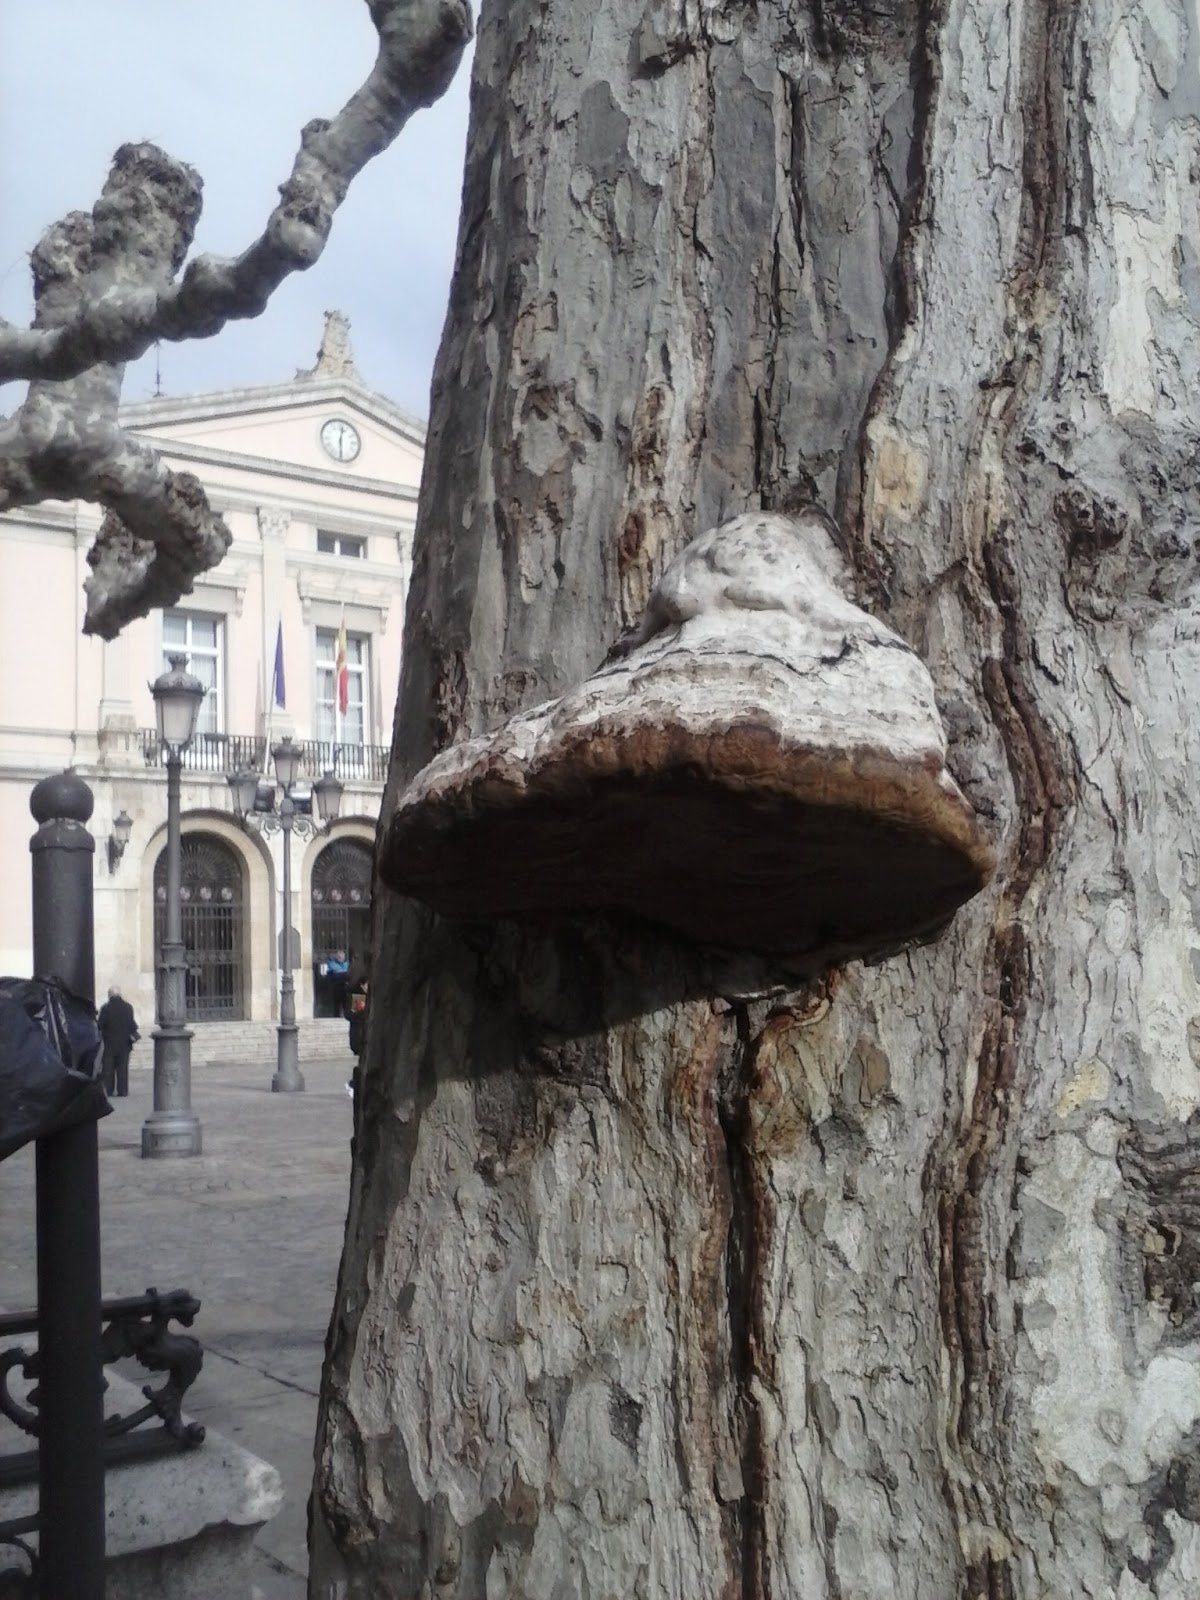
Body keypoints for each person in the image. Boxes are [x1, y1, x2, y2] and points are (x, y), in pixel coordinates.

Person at [96, 986, 139, 1097]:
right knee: (123, 1068)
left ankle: (109, 1090)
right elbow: (132, 1025)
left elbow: (100, 1025)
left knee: (108, 1068)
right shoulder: (128, 1007)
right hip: (125, 1043)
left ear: (110, 995)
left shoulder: (106, 1008)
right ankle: (123, 1090)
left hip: (109, 1043)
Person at [343, 967, 368, 1101]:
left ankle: (354, 1084)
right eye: (366, 985)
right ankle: (353, 1084)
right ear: (362, 984)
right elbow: (351, 1015)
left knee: (363, 1062)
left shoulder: (368, 997)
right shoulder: (357, 996)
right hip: (358, 1034)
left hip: (364, 1035)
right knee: (362, 1062)